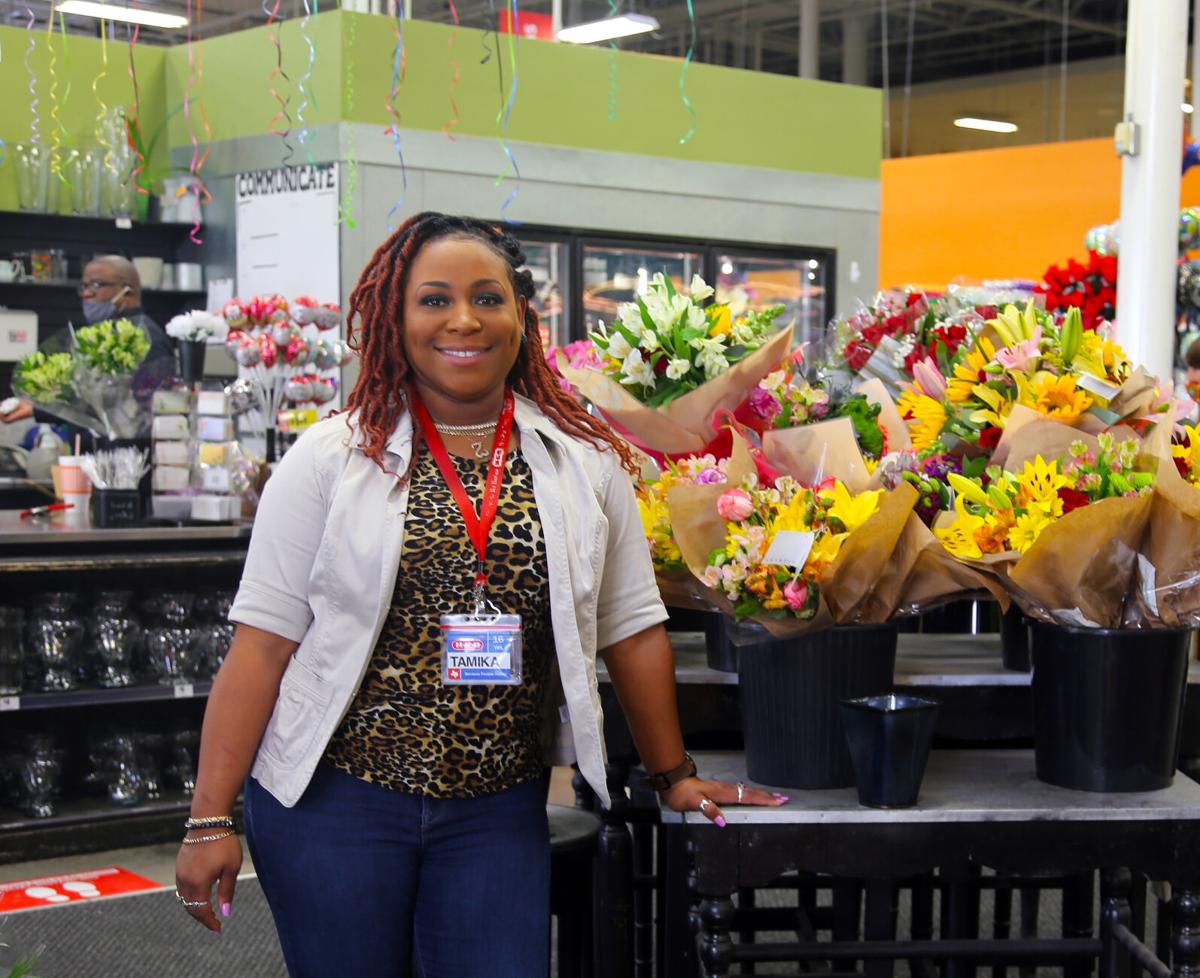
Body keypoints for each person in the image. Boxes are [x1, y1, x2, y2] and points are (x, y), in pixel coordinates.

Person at [173, 212, 786, 977]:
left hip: (496, 805)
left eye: (487, 299)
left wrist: (674, 774)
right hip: (336, 802)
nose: (463, 319)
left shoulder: (585, 462)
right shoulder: (330, 458)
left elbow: (630, 630)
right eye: (434, 299)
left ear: (521, 319)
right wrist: (208, 819)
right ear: (395, 318)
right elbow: (262, 644)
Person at [0, 254, 175, 425]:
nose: (86, 294)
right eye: (84, 286)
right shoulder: (101, 336)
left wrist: (41, 410)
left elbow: (140, 407)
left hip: (130, 451)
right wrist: (41, 403)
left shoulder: (147, 339)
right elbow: (90, 402)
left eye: (96, 285)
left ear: (127, 291)